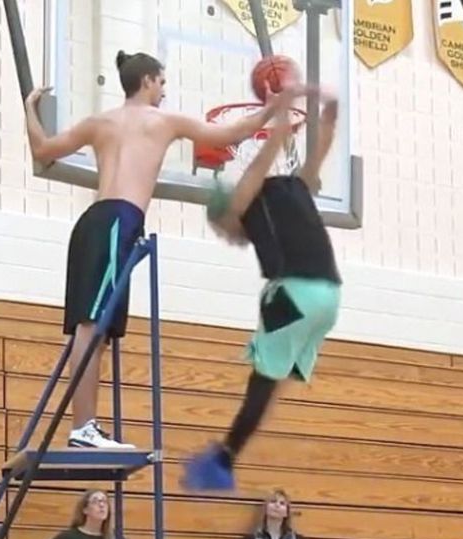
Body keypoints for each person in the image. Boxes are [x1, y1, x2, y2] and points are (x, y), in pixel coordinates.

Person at [24, 50, 303, 448]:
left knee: (96, 331)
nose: (164, 91)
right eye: (163, 82)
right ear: (149, 80)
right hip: (117, 220)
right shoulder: (162, 121)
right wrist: (273, 107)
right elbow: (230, 134)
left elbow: (42, 149)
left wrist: (29, 108)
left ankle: (86, 425)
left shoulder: (99, 122)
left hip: (97, 222)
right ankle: (82, 428)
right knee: (91, 327)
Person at [182, 79, 340, 490]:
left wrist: (283, 110)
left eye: (222, 230)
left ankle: (225, 459)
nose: (228, 236)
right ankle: (230, 454)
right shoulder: (300, 186)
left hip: (293, 294)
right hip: (330, 297)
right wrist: (330, 109)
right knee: (273, 384)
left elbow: (262, 160)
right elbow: (322, 141)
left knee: (261, 383)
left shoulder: (242, 202)